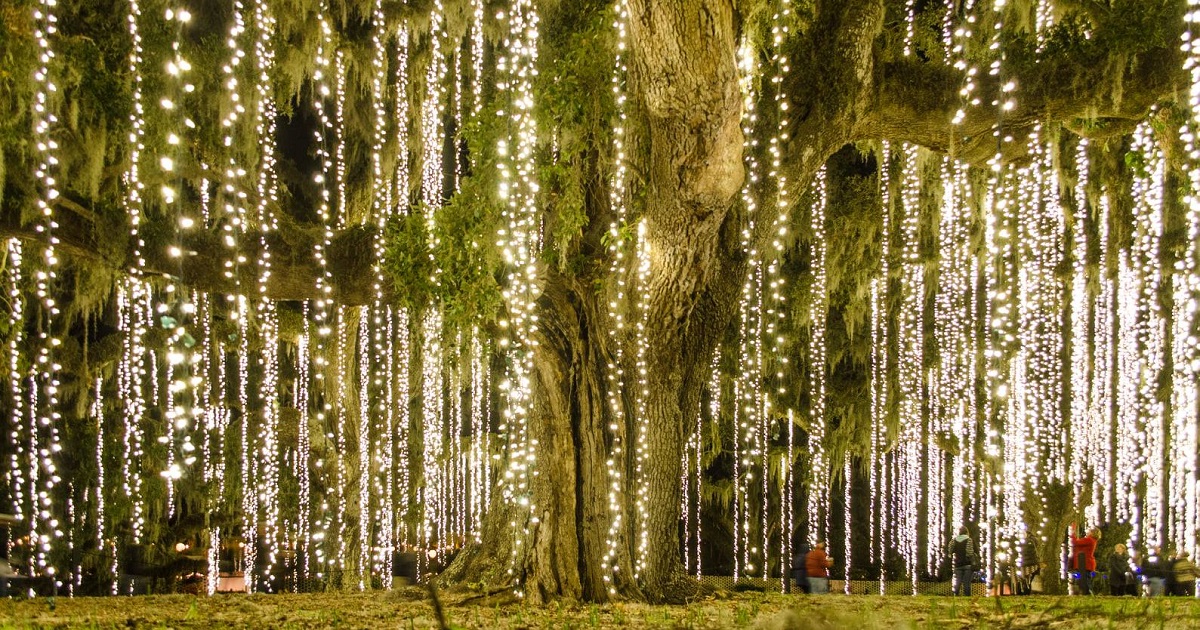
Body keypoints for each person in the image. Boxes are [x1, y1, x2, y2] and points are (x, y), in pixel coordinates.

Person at [1069, 524, 1098, 595]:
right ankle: (1085, 593)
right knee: (1081, 579)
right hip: (1083, 563)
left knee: (1084, 580)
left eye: (1089, 531)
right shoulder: (1091, 540)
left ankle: (1088, 593)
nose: (1087, 532)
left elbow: (1075, 542)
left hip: (1084, 564)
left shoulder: (1089, 540)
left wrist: (1072, 533)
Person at [948, 526, 976, 596]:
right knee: (967, 583)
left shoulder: (954, 540)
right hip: (967, 564)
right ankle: (967, 598)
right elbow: (969, 552)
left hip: (958, 564)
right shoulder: (969, 540)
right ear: (967, 532)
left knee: (958, 582)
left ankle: (955, 596)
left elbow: (950, 550)